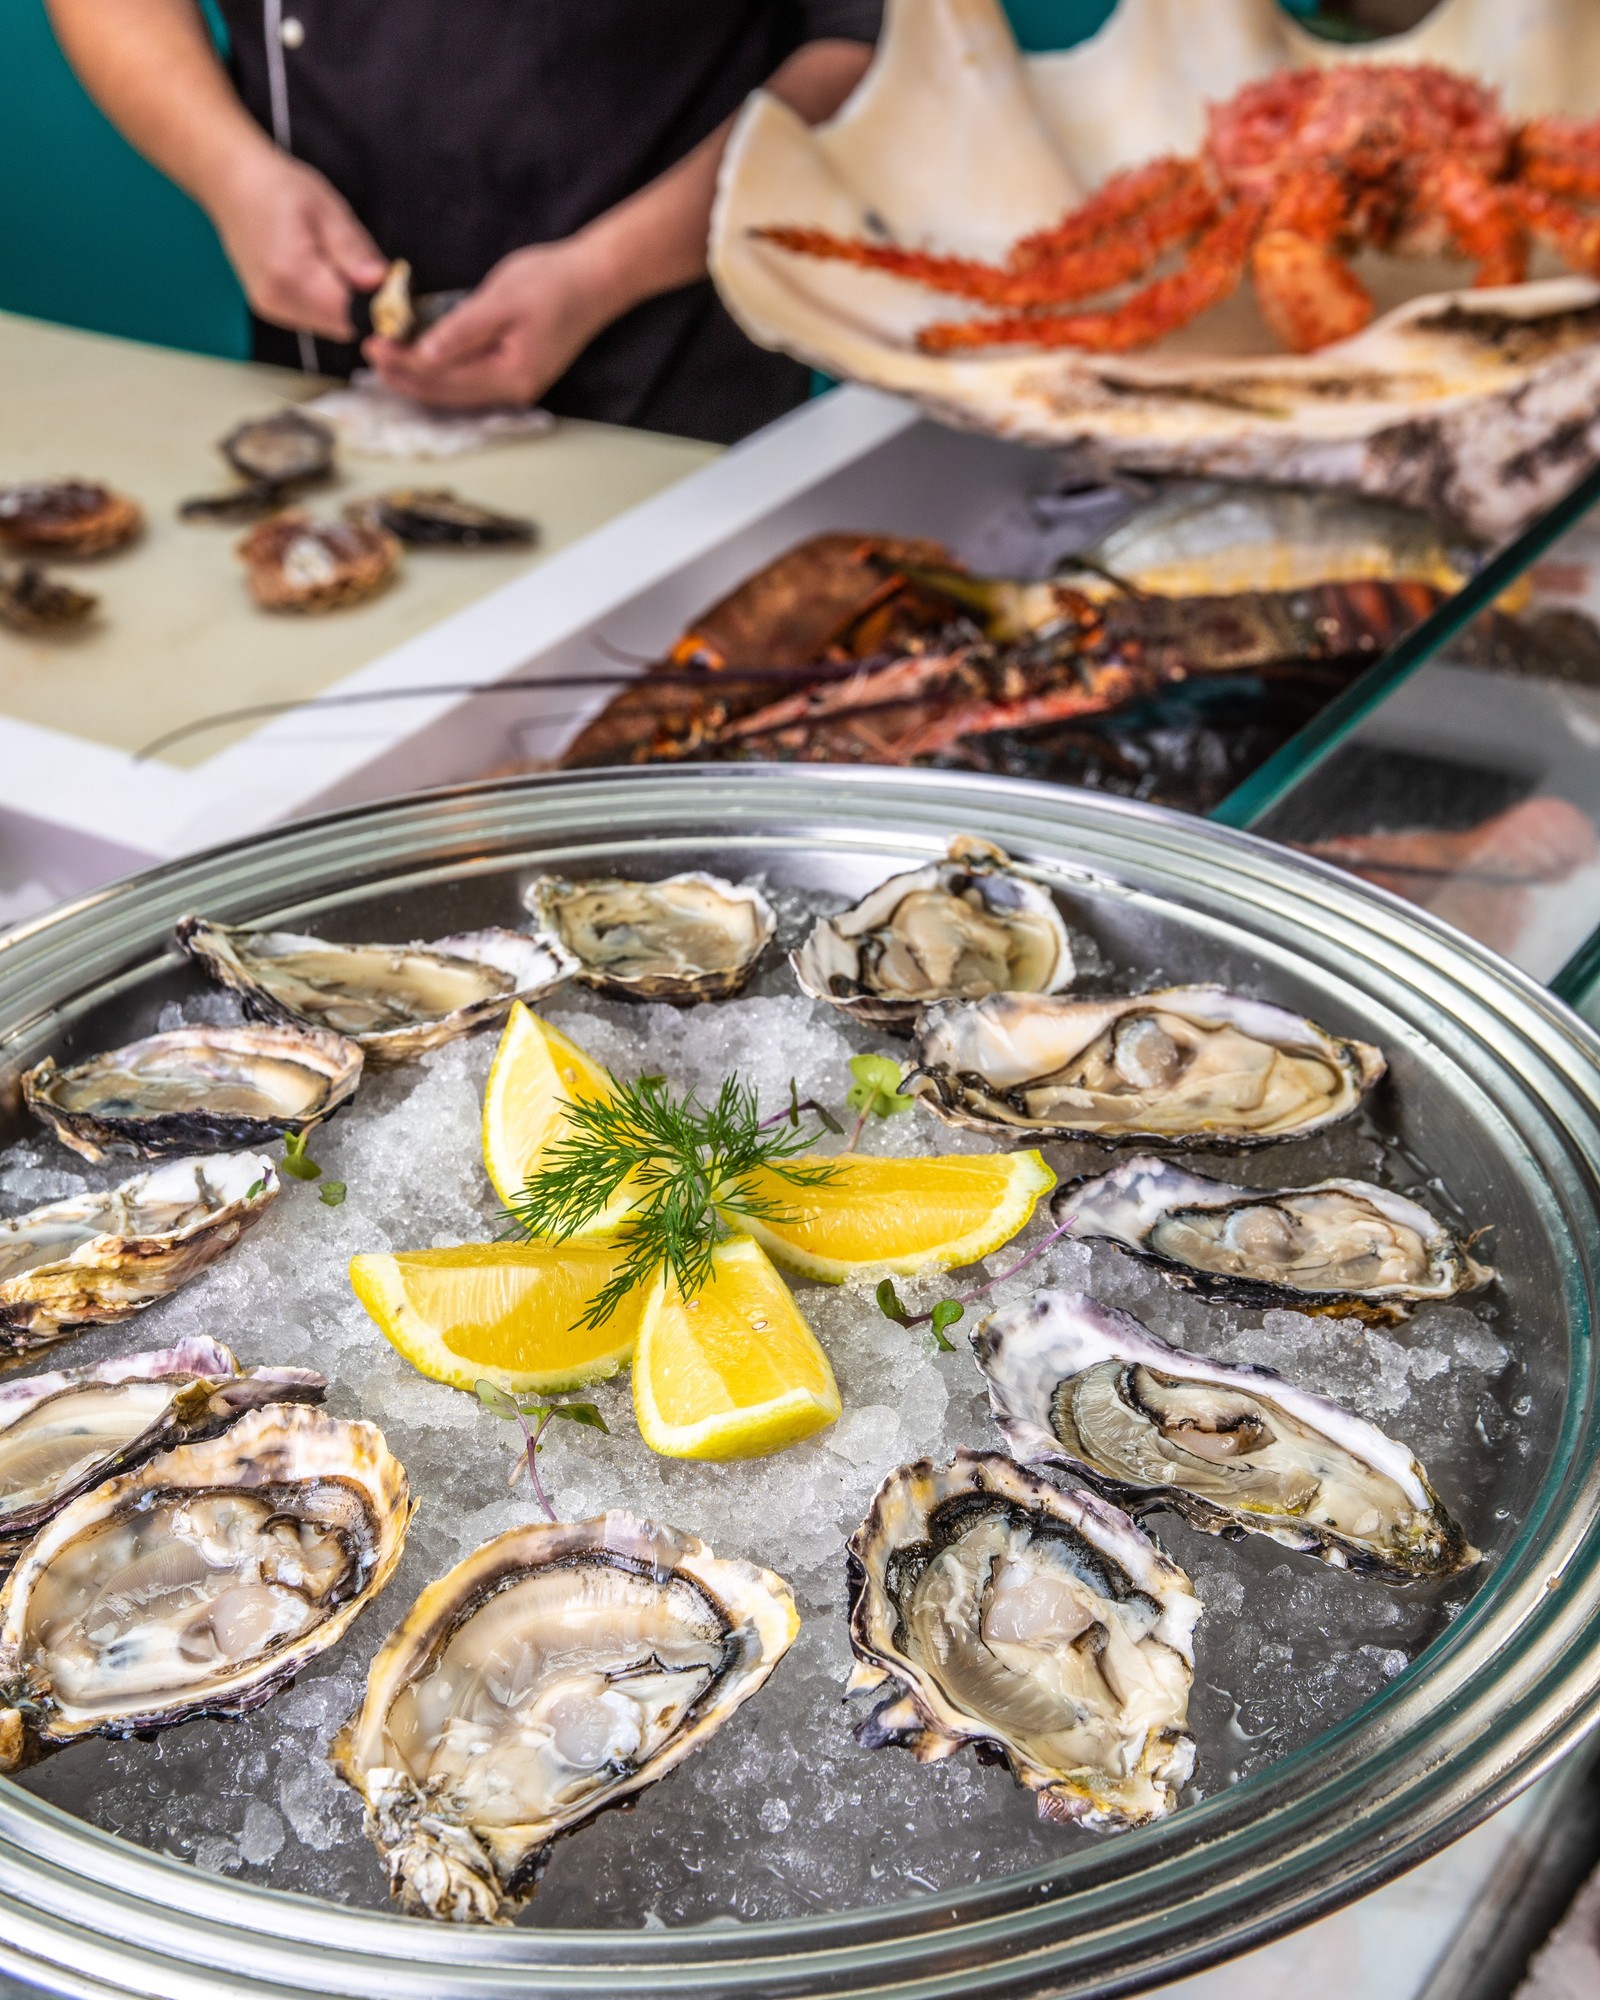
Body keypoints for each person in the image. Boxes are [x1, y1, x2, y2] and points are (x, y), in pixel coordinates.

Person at [46, 0, 880, 441]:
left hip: (671, 407)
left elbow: (870, 44)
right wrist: (233, 173)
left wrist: (603, 274)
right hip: (326, 407)